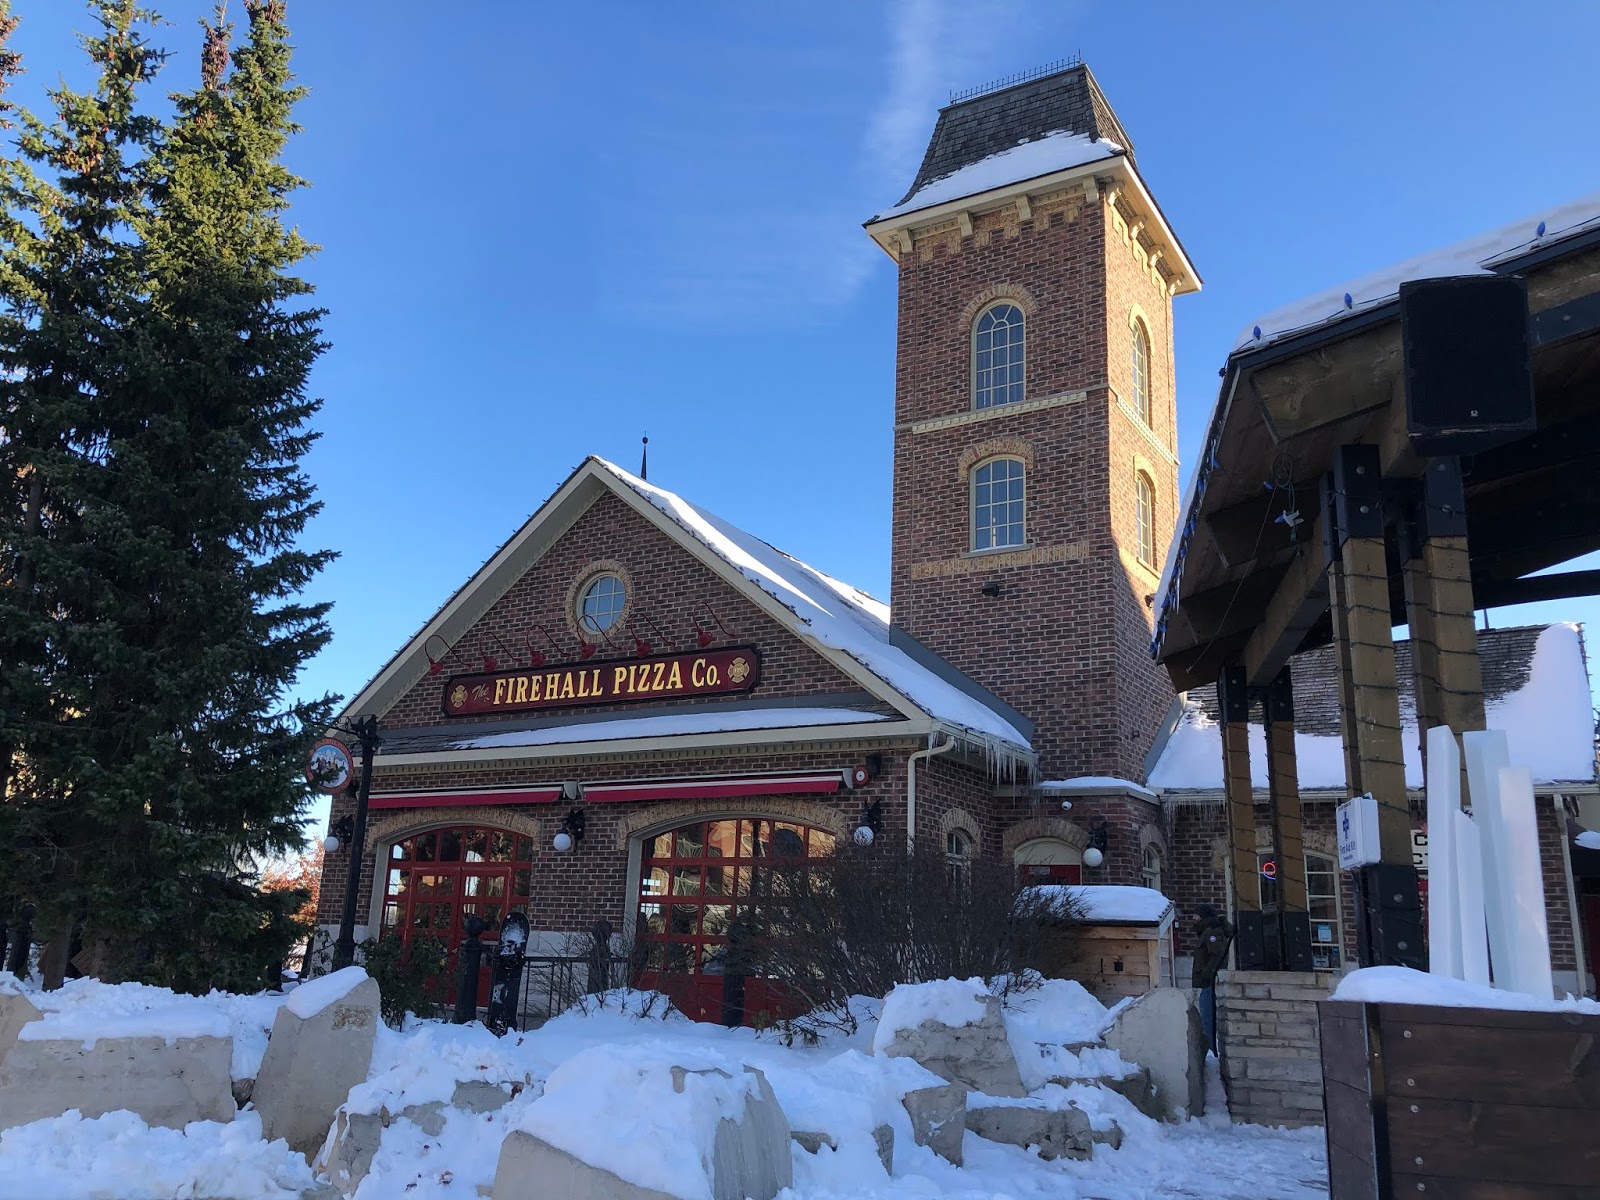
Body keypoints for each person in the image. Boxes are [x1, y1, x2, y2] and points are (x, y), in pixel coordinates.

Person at [1190, 903, 1234, 1054]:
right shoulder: (1208, 931)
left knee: (1208, 1019)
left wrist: (1206, 975)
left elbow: (1217, 956)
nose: (1194, 918)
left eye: (1196, 914)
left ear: (1204, 916)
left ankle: (1210, 1052)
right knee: (1207, 1017)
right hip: (1207, 983)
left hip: (1210, 983)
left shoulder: (1212, 932)